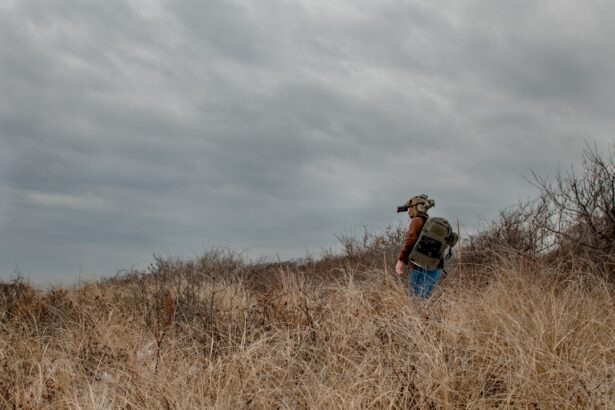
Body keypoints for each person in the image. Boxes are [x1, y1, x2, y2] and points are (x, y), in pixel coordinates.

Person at [395, 194, 445, 299]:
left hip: (420, 267)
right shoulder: (430, 223)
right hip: (436, 268)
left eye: (410, 208)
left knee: (414, 300)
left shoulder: (417, 220)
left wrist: (401, 261)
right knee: (424, 300)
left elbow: (410, 239)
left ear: (416, 207)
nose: (408, 211)